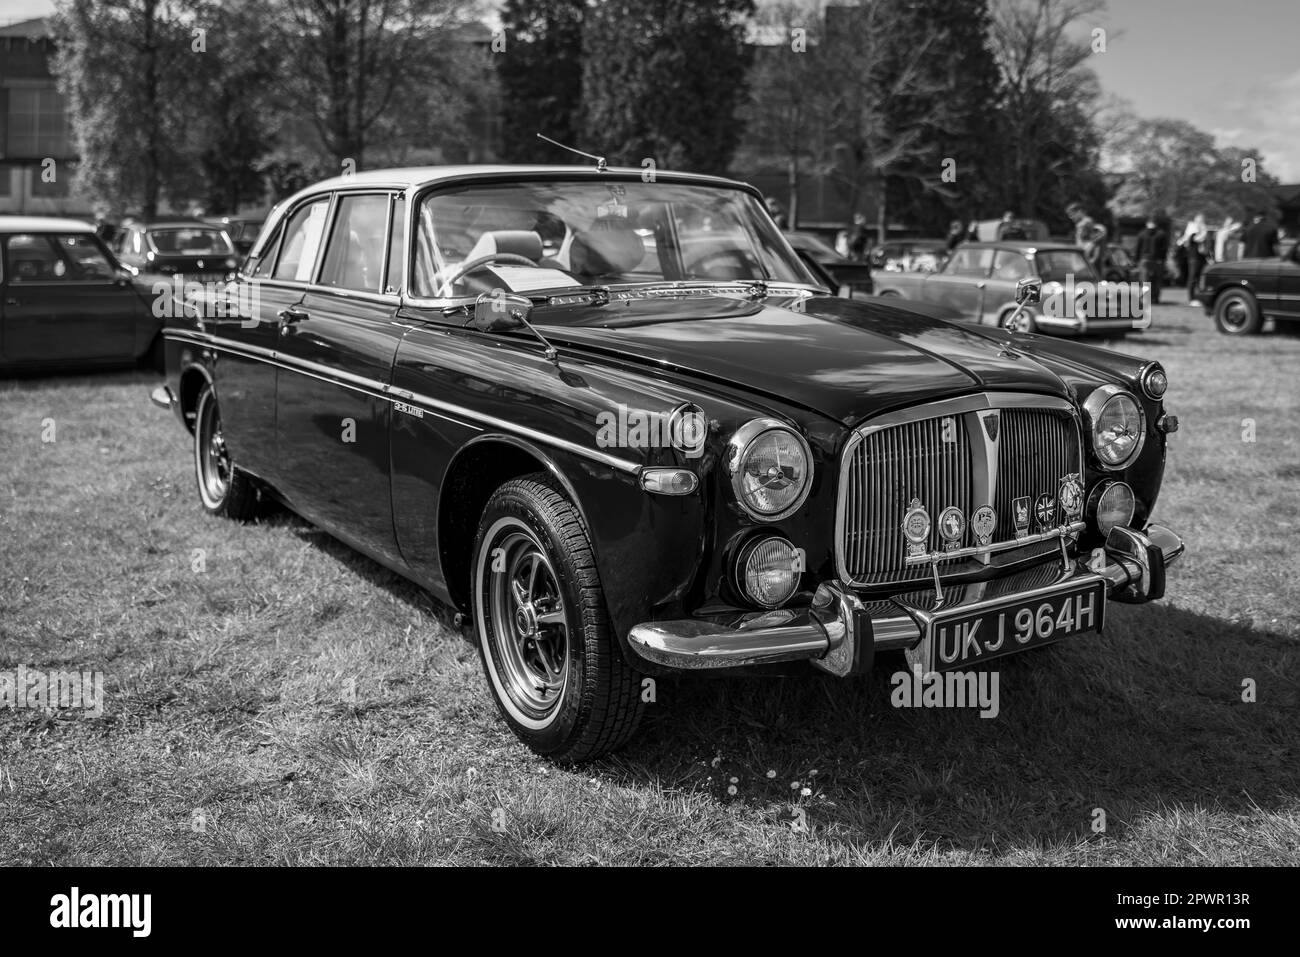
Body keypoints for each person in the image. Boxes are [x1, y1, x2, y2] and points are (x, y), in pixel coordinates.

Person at [1134, 216, 1167, 305]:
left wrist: (1136, 260)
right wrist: (1163, 259)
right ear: (1156, 224)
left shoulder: (1142, 234)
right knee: (1157, 280)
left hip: (1144, 259)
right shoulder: (1161, 234)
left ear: (1147, 224)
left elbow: (1138, 248)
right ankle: (1155, 298)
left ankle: (1146, 298)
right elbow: (1164, 249)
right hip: (1157, 260)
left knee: (1145, 280)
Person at [1066, 202, 1107, 272]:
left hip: (1086, 262)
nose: (1071, 218)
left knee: (1071, 278)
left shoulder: (1087, 223)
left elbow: (1097, 243)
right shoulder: (1082, 224)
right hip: (1082, 261)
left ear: (1079, 212)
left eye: (1072, 215)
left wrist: (1092, 260)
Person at [1179, 214, 1210, 304]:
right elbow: (1197, 239)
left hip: (1201, 259)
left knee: (1200, 279)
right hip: (1193, 258)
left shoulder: (1203, 233)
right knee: (1192, 278)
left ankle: (1199, 298)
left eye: (1202, 221)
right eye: (1199, 221)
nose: (1201, 223)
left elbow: (1206, 246)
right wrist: (1203, 232)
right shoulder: (1192, 233)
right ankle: (1191, 298)